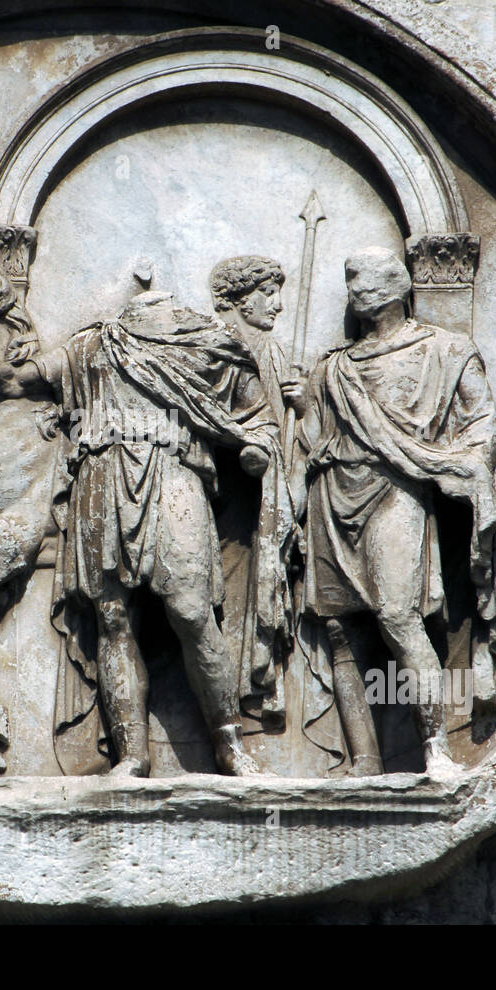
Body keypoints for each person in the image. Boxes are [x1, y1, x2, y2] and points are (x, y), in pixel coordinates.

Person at [0, 280, 293, 776]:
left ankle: (229, 744)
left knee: (193, 610)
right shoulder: (92, 343)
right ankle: (132, 754)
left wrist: (258, 447)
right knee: (112, 619)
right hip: (101, 476)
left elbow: (258, 416)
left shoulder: (207, 340)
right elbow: (17, 382)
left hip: (173, 470)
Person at [294, 247, 496, 777]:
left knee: (398, 616)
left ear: (400, 286)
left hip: (397, 488)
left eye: (372, 279)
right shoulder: (333, 366)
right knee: (340, 630)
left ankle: (436, 751)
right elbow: (313, 438)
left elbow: (483, 421)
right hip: (334, 491)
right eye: (352, 280)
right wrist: (304, 406)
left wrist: (463, 465)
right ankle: (364, 761)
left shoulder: (445, 351)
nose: (360, 289)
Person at [208, 255, 305, 730]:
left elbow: (300, 432)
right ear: (239, 298)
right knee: (216, 591)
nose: (278, 305)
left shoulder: (275, 352)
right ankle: (220, 701)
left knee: (258, 587)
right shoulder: (209, 344)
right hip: (218, 494)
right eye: (268, 293)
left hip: (264, 498)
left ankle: (252, 685)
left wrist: (303, 404)